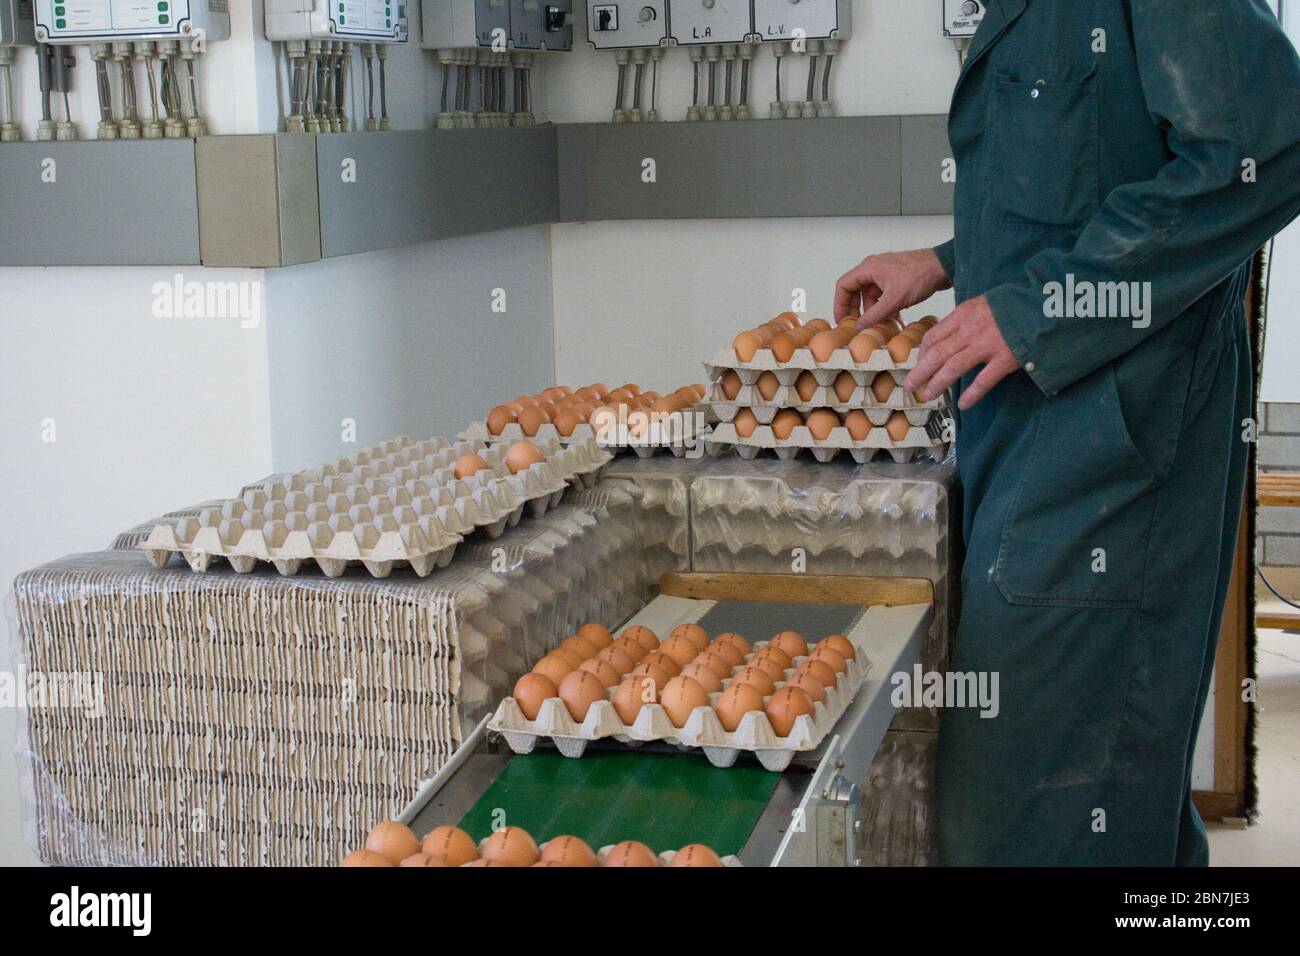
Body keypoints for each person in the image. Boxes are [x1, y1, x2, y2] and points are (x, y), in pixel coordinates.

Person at [834, 0, 1300, 865]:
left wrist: (1038, 307)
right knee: (1110, 791)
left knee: (1030, 806)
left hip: (1114, 452)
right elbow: (1083, 185)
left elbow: (1260, 150)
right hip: (1044, 439)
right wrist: (948, 262)